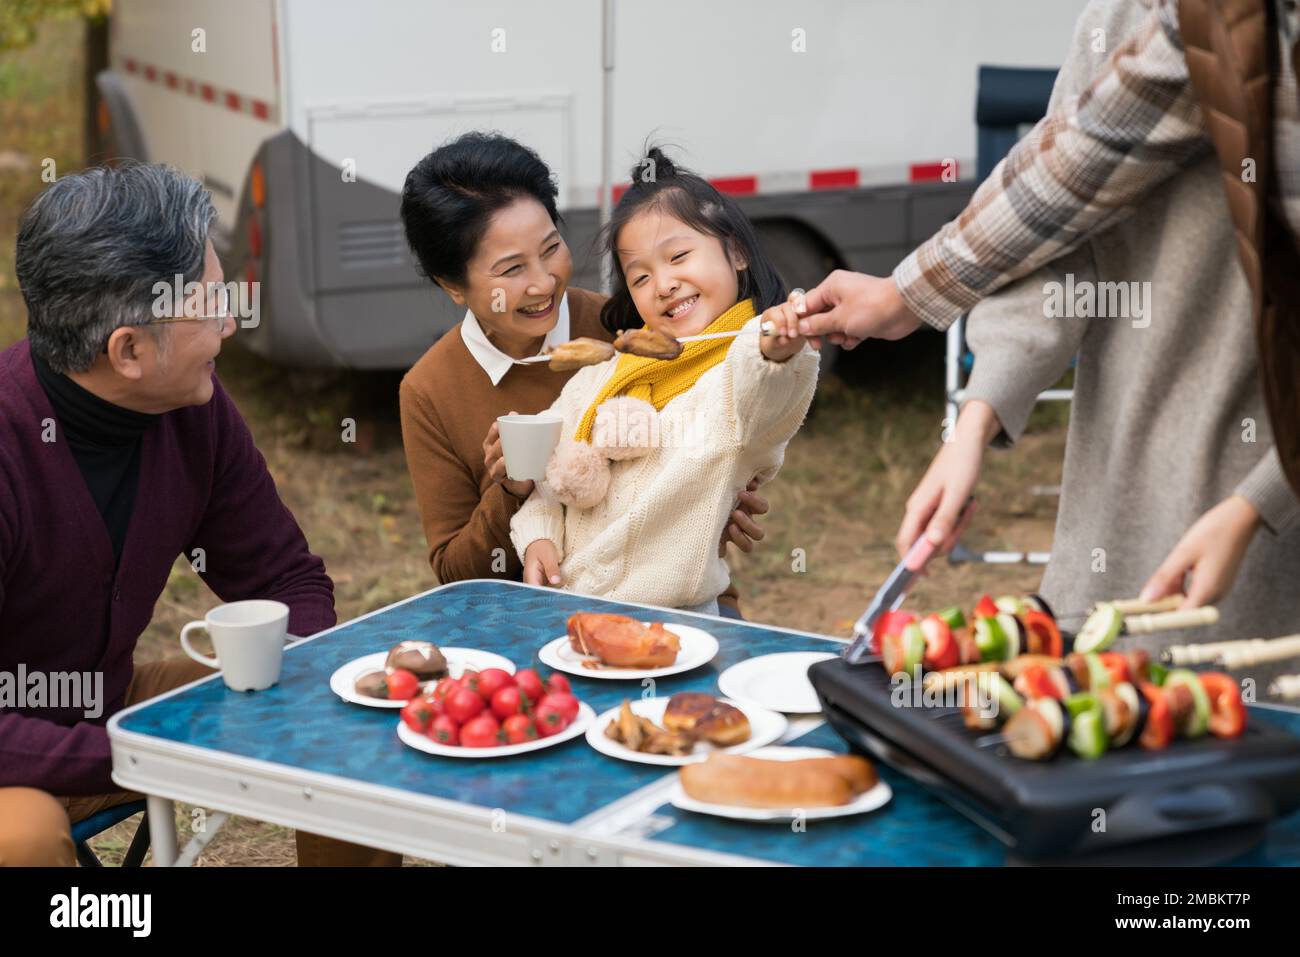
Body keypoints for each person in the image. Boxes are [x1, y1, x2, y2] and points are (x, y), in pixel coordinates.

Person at [794, 0, 1300, 612]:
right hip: (1115, 482)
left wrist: (1258, 502)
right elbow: (1058, 219)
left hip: (1271, 483)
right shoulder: (1126, 18)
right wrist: (974, 417)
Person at [0, 164, 386, 867]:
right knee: (20, 837)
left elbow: (286, 579)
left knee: (345, 706)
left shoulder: (188, 407)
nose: (231, 323)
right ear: (129, 350)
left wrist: (288, 676)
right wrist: (145, 750)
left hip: (113, 712)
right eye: (210, 306)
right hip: (21, 758)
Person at [398, 134, 768, 617]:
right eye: (511, 269)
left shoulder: (625, 326)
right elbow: (455, 575)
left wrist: (720, 500)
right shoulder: (430, 390)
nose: (543, 282)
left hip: (676, 604)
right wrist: (512, 490)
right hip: (529, 621)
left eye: (551, 247)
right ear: (453, 286)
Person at [510, 149, 819, 613]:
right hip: (570, 612)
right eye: (640, 277)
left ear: (736, 251)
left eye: (678, 257)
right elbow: (547, 481)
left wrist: (777, 345)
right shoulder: (601, 376)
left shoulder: (735, 380)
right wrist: (539, 538)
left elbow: (770, 393)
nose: (664, 284)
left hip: (677, 620)